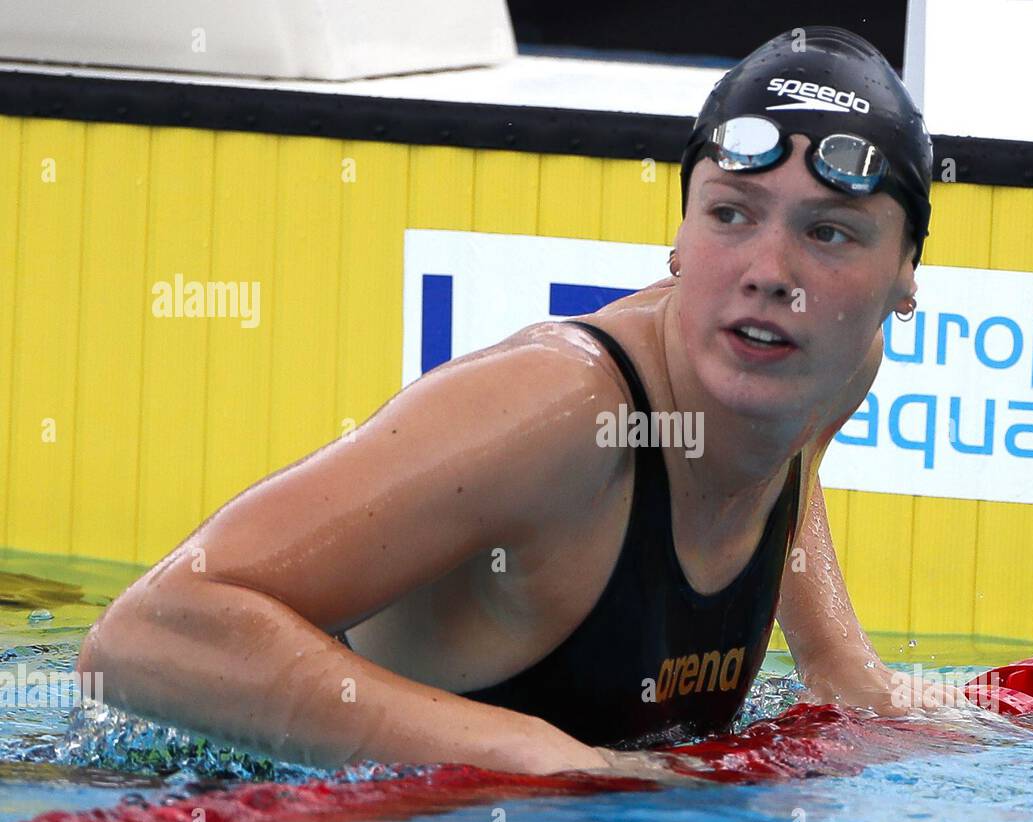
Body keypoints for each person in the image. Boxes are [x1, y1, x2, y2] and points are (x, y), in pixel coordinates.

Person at [77, 25, 959, 779]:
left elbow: (787, 455)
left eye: (828, 232)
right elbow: (146, 640)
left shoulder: (828, 361)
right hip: (217, 795)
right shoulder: (563, 410)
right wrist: (544, 759)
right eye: (731, 214)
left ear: (904, 277)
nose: (770, 274)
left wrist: (835, 657)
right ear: (679, 237)